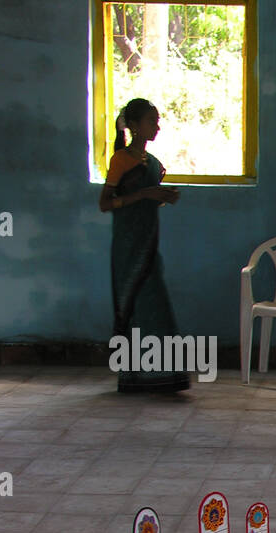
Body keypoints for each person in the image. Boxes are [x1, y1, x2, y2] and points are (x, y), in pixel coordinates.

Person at [98, 98, 188, 394]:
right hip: (128, 247)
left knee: (156, 307)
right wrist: (145, 194)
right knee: (135, 306)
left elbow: (148, 199)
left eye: (158, 121)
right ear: (134, 126)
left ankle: (164, 375)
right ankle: (134, 377)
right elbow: (106, 203)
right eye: (151, 121)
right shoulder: (122, 160)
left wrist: (161, 196)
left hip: (149, 244)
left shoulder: (152, 163)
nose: (157, 127)